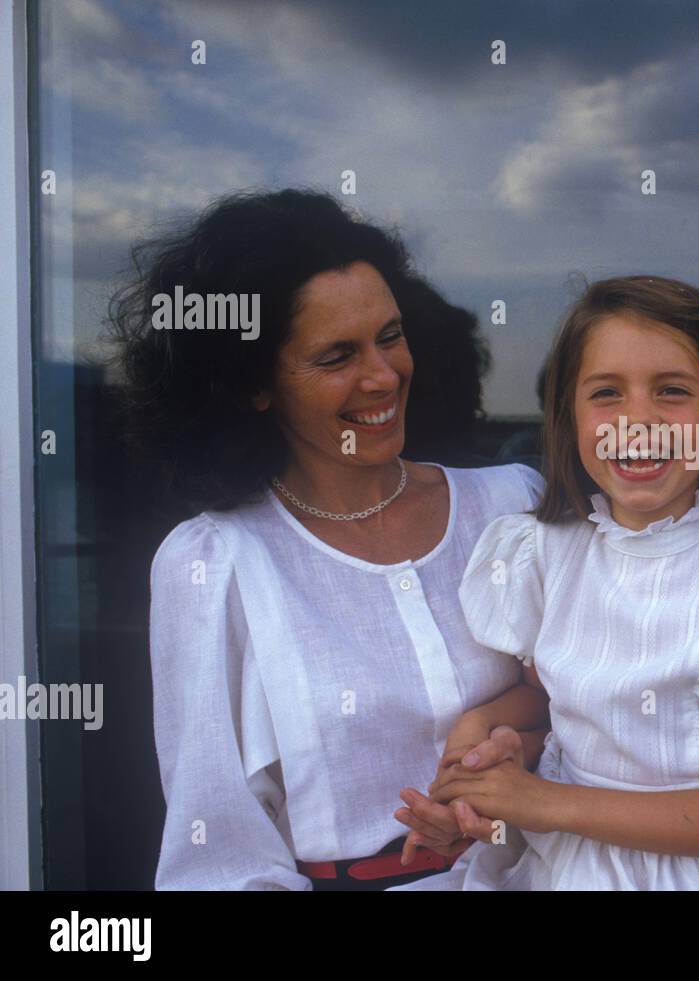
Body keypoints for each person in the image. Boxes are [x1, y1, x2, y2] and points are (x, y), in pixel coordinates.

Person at [110, 188, 547, 889]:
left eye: (390, 336)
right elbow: (219, 852)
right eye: (337, 355)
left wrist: (513, 736)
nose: (382, 376)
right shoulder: (215, 563)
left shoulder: (514, 507)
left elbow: (614, 714)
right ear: (255, 384)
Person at [391, 275, 699, 890]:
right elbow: (552, 704)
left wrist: (548, 803)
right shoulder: (543, 553)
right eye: (606, 393)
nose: (638, 420)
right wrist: (483, 748)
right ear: (570, 415)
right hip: (558, 868)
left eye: (673, 391)